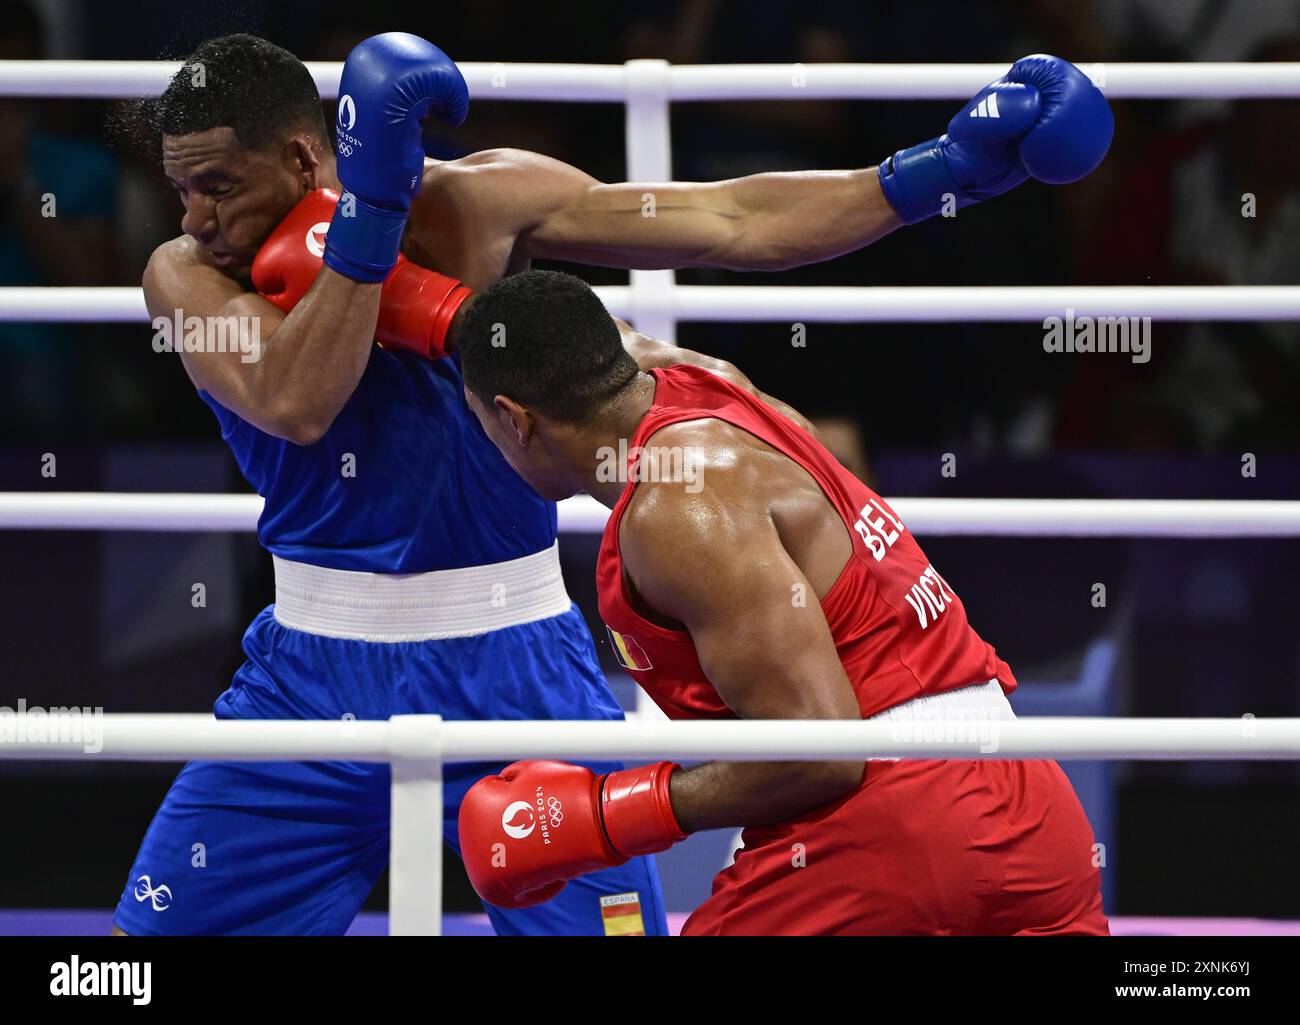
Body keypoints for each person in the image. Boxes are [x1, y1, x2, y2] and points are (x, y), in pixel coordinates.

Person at [117, 30, 1110, 935]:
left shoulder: (475, 200)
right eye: (181, 191)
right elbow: (297, 402)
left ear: (300, 158)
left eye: (216, 186)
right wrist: (366, 224)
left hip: (516, 666)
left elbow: (731, 219)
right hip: (308, 678)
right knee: (138, 962)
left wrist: (927, 174)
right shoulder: (186, 276)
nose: (196, 218)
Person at [454, 269, 1110, 935]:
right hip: (1030, 811)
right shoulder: (706, 380)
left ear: (515, 418)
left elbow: (821, 750)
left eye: (480, 421)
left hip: (896, 822)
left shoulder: (676, 508)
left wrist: (609, 813)